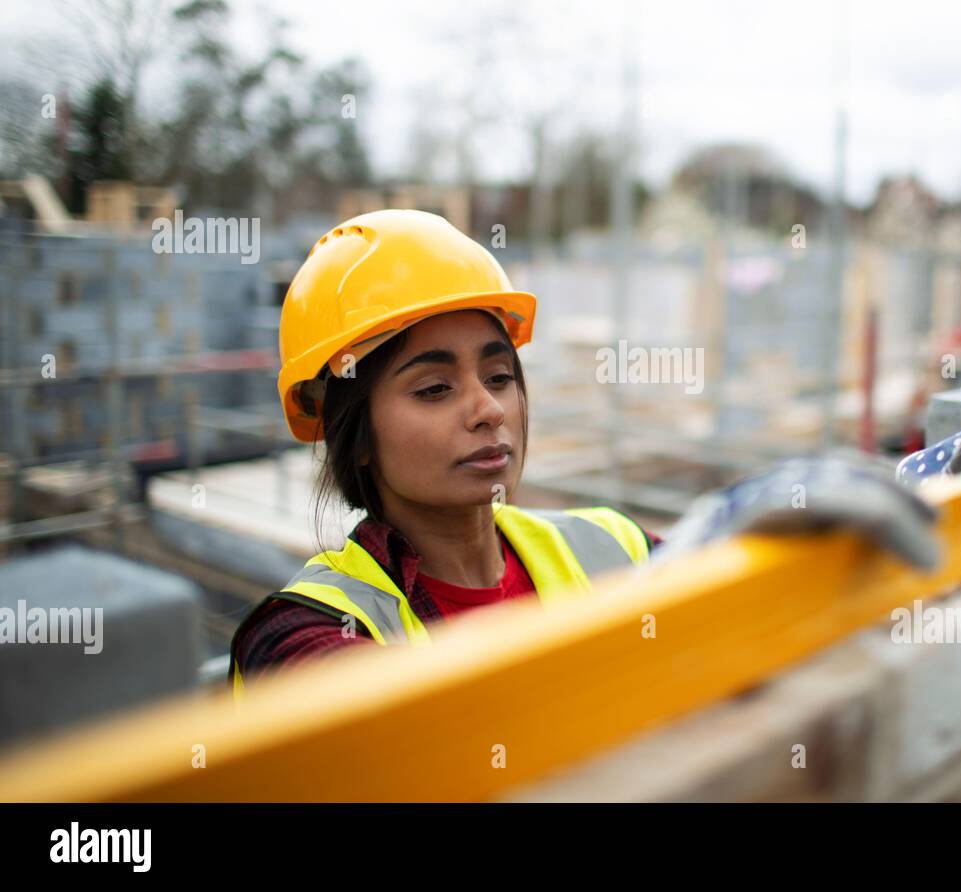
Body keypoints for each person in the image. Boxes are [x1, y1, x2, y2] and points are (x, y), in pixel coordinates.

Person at [229, 210, 664, 694]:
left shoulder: (612, 541)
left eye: (499, 377)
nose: (489, 409)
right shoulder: (301, 633)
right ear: (355, 436)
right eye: (435, 388)